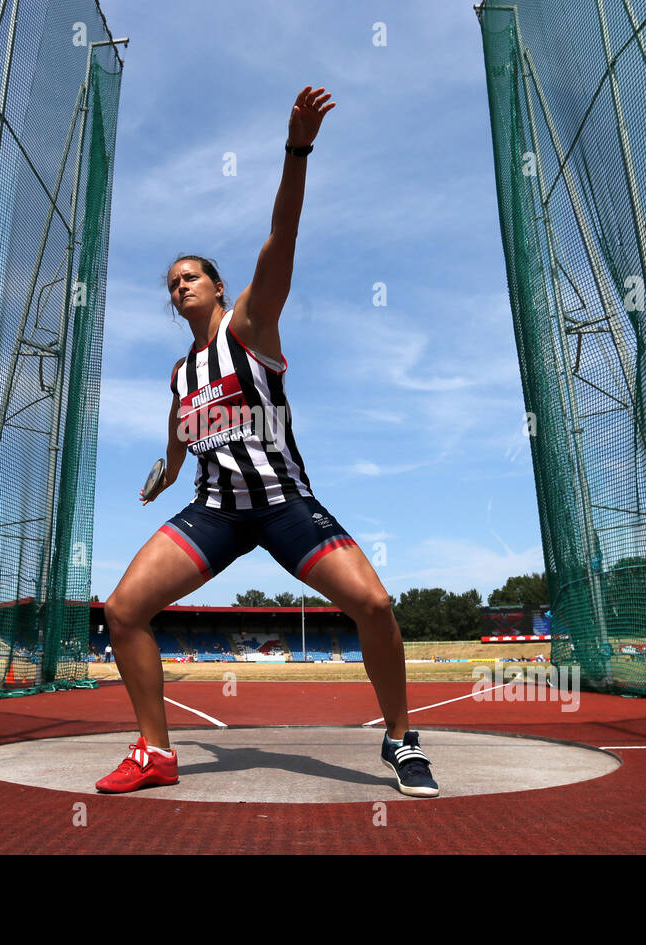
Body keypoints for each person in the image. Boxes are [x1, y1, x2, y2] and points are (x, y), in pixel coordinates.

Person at [96, 87, 437, 798]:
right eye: (170, 284)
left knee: (373, 604)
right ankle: (155, 752)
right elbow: (181, 427)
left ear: (218, 287)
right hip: (215, 514)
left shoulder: (249, 327)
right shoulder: (182, 371)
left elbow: (280, 238)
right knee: (123, 609)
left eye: (189, 277)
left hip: (284, 503)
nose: (178, 287)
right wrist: (167, 472)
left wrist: (297, 149)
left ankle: (400, 740)